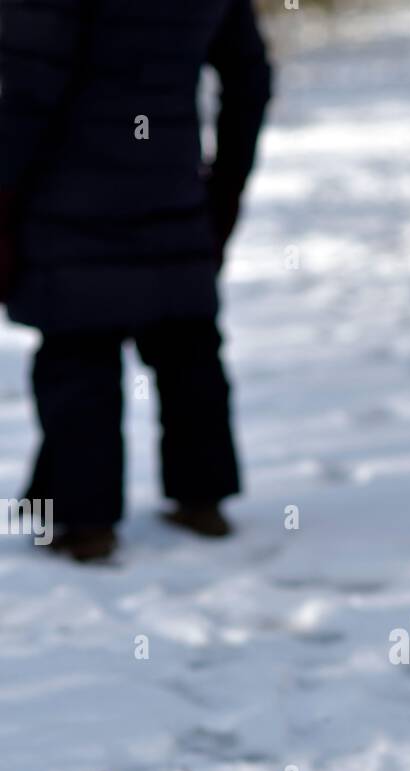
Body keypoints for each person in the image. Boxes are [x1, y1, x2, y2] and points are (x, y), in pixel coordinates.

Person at [0, 0, 272, 561]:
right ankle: (202, 501)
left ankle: (82, 524)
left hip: (65, 197)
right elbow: (249, 75)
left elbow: (24, 98)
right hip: (173, 189)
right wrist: (224, 188)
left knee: (80, 353)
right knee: (185, 343)